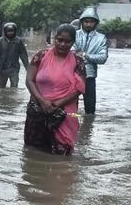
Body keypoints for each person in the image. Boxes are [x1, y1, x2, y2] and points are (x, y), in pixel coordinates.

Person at [24, 24, 86, 155]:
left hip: (63, 113)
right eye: (59, 40)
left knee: (62, 154)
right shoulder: (40, 56)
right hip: (38, 110)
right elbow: (30, 80)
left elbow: (79, 89)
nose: (63, 44)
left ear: (73, 42)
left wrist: (57, 104)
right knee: (33, 152)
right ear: (54, 39)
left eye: (67, 41)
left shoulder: (78, 62)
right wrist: (43, 102)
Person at [73, 7, 109, 114]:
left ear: (96, 23)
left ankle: (88, 127)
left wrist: (85, 55)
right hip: (72, 73)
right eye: (86, 21)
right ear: (82, 22)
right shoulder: (74, 34)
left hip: (90, 76)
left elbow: (103, 58)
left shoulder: (101, 38)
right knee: (71, 106)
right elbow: (70, 51)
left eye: (91, 22)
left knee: (90, 108)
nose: (89, 24)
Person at [0, 22, 29, 88]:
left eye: (12, 31)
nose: (10, 33)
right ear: (5, 32)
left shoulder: (18, 42)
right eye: (8, 31)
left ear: (15, 31)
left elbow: (24, 57)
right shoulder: (0, 41)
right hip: (2, 69)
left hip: (14, 69)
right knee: (0, 88)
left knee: (14, 88)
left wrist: (28, 70)